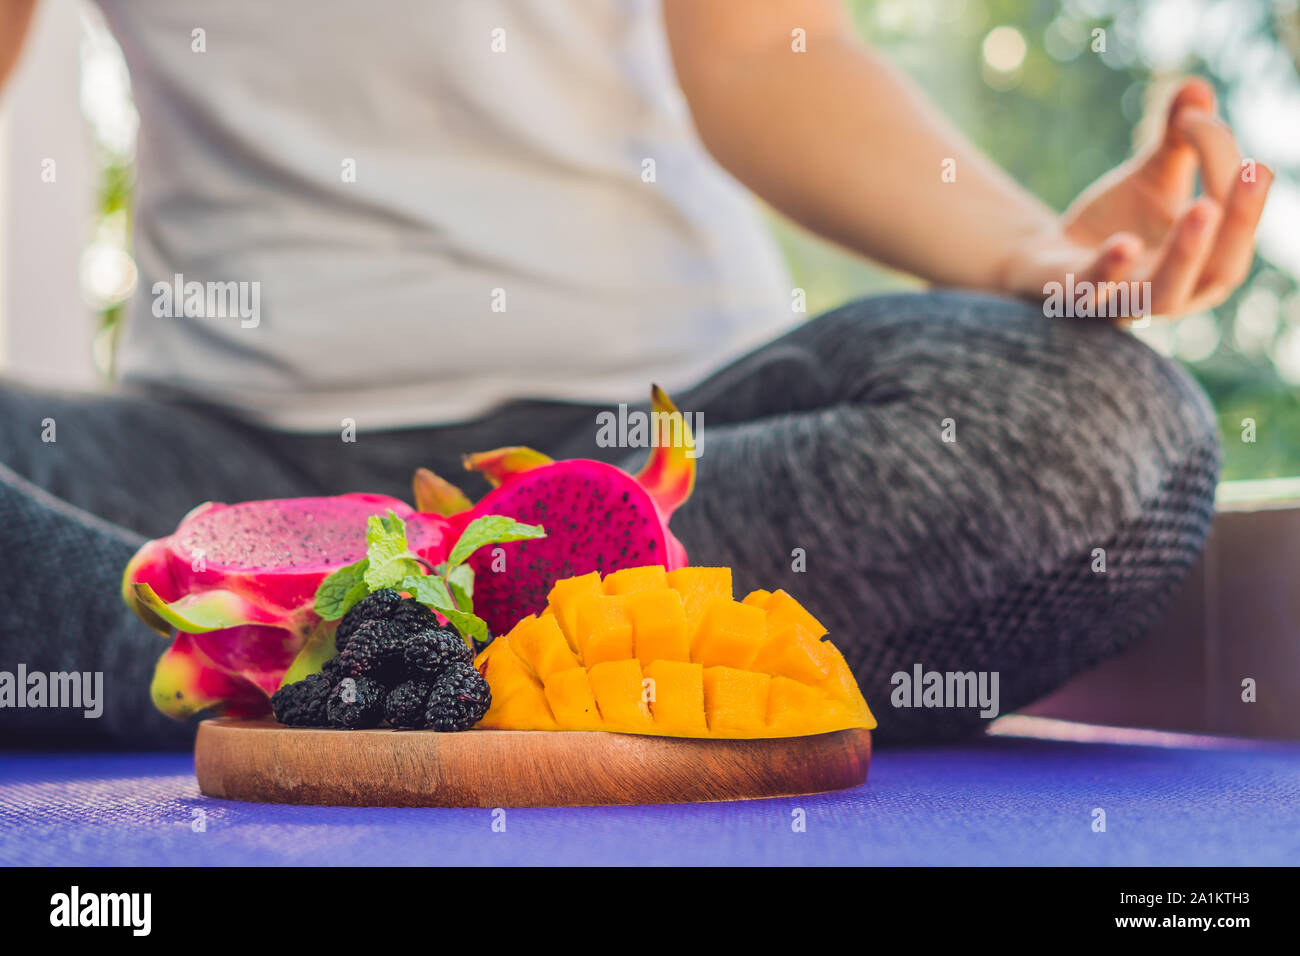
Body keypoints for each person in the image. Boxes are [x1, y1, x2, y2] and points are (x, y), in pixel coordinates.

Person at [0, 0, 1271, 747]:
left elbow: (761, 43)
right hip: (212, 476)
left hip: (644, 471)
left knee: (1093, 432)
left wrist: (1025, 250)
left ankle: (253, 660)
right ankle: (365, 649)